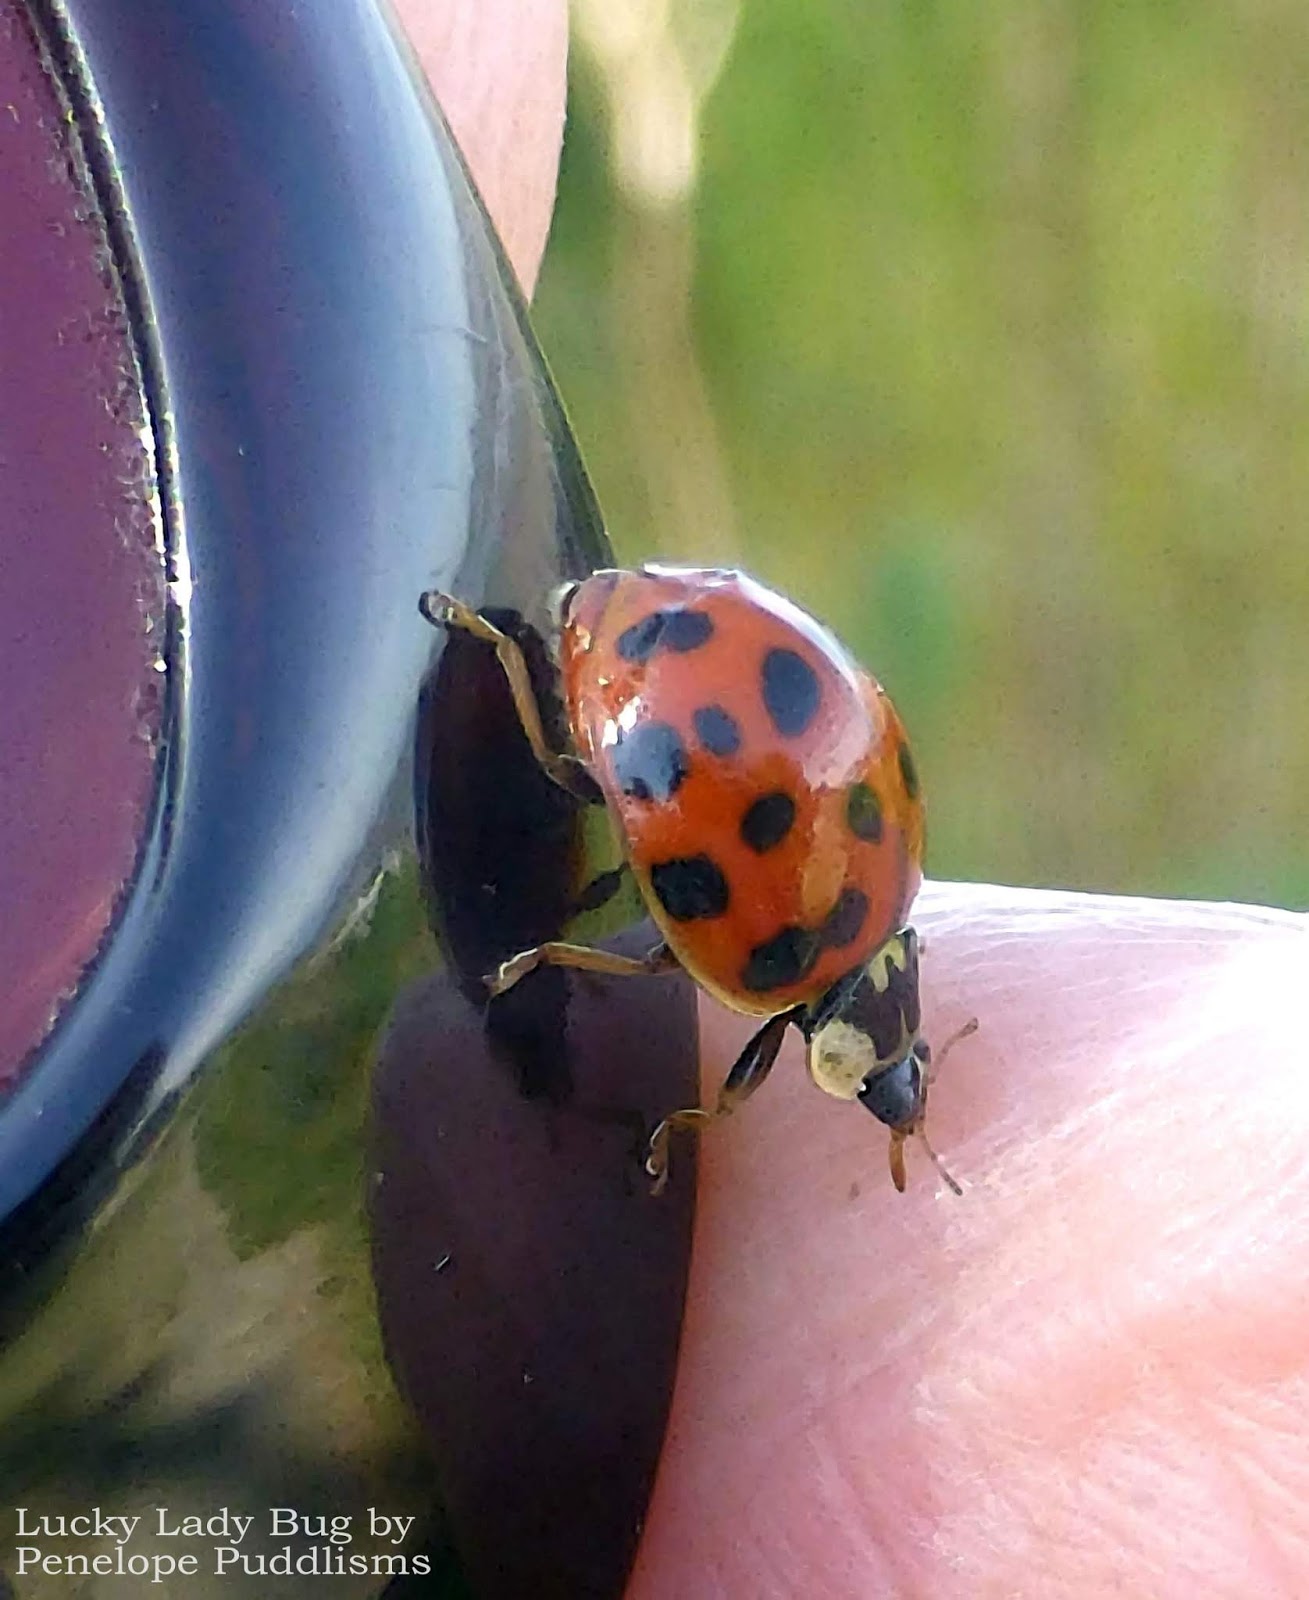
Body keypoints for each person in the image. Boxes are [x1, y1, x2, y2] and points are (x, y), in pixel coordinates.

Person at [407, 2, 1309, 1594]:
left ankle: (505, 645)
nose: (885, 1080)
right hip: (646, 668)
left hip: (688, 642)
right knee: (585, 828)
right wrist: (555, 965)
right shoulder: (777, 963)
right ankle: (495, 642)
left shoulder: (864, 900)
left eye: (890, 1079)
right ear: (849, 1034)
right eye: (885, 1077)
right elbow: (656, 947)